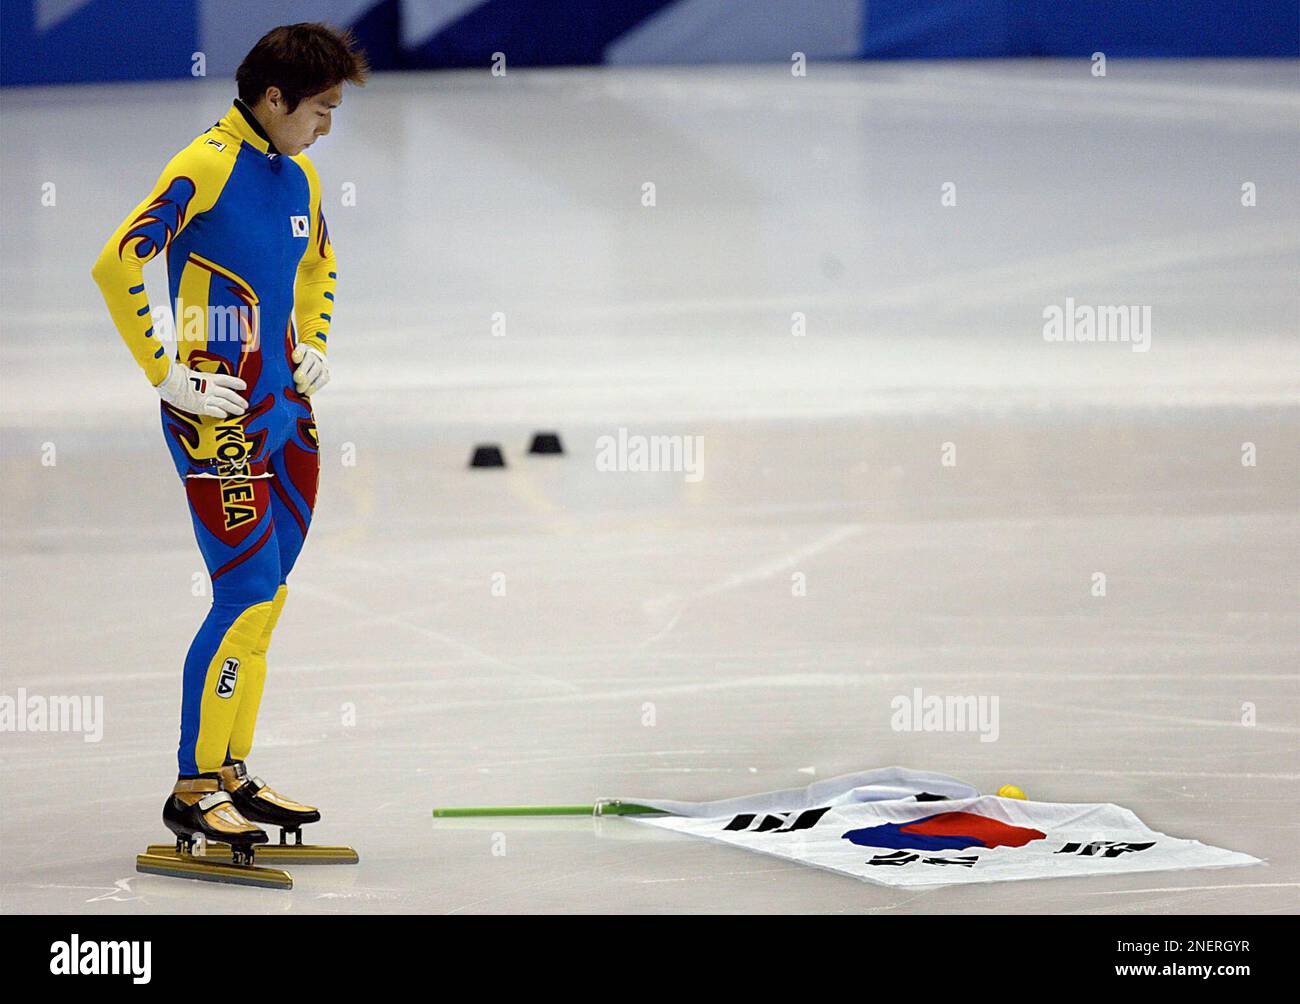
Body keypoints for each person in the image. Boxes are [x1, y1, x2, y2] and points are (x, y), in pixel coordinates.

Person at [91, 23, 368, 853]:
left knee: (268, 598)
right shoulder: (205, 163)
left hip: (287, 413)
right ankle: (191, 787)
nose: (326, 126)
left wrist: (313, 340)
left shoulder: (302, 175)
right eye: (319, 109)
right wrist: (164, 371)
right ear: (273, 97)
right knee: (244, 592)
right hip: (219, 421)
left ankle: (230, 773)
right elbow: (117, 262)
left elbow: (318, 266)